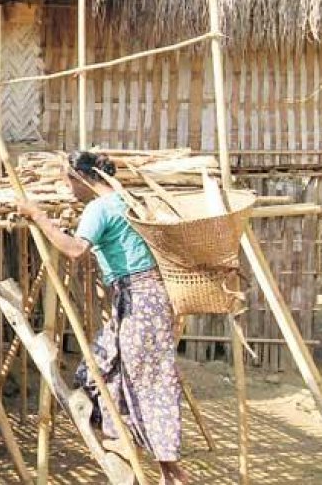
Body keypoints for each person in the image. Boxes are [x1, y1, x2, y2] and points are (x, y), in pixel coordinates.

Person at [17, 151, 188, 485]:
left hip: (141, 300)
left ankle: (171, 471)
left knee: (146, 382)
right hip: (145, 299)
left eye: (68, 181)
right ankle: (128, 440)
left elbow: (75, 250)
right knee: (103, 366)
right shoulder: (125, 200)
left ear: (82, 178)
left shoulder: (100, 208)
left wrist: (38, 216)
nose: (69, 189)